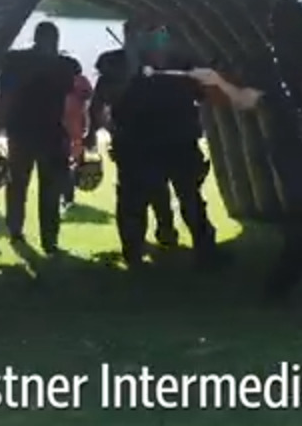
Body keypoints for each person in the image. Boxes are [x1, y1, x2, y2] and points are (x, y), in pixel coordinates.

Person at [189, 61, 302, 325]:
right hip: (293, 151)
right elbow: (245, 101)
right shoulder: (273, 67)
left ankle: (279, 284)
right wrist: (218, 82)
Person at [106, 24, 218, 269]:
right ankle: (134, 252)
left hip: (173, 144)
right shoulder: (123, 70)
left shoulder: (178, 69)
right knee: (135, 203)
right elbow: (112, 106)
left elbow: (202, 92)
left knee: (189, 199)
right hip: (142, 146)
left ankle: (205, 248)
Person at [91, 20, 180, 246]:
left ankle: (164, 231)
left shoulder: (156, 65)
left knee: (158, 188)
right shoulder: (114, 66)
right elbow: (99, 103)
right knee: (132, 193)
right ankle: (133, 242)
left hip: (155, 138)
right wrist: (102, 129)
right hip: (127, 138)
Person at [0, 21, 77, 253]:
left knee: (17, 184)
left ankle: (15, 229)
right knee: (49, 188)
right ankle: (49, 239)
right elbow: (71, 103)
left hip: (21, 131)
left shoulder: (16, 62)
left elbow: (6, 96)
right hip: (50, 131)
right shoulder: (64, 66)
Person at [59, 55, 94, 213]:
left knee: (64, 164)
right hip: (74, 126)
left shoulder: (60, 79)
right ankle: (68, 195)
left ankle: (66, 195)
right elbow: (89, 96)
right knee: (71, 162)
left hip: (62, 126)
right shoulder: (81, 81)